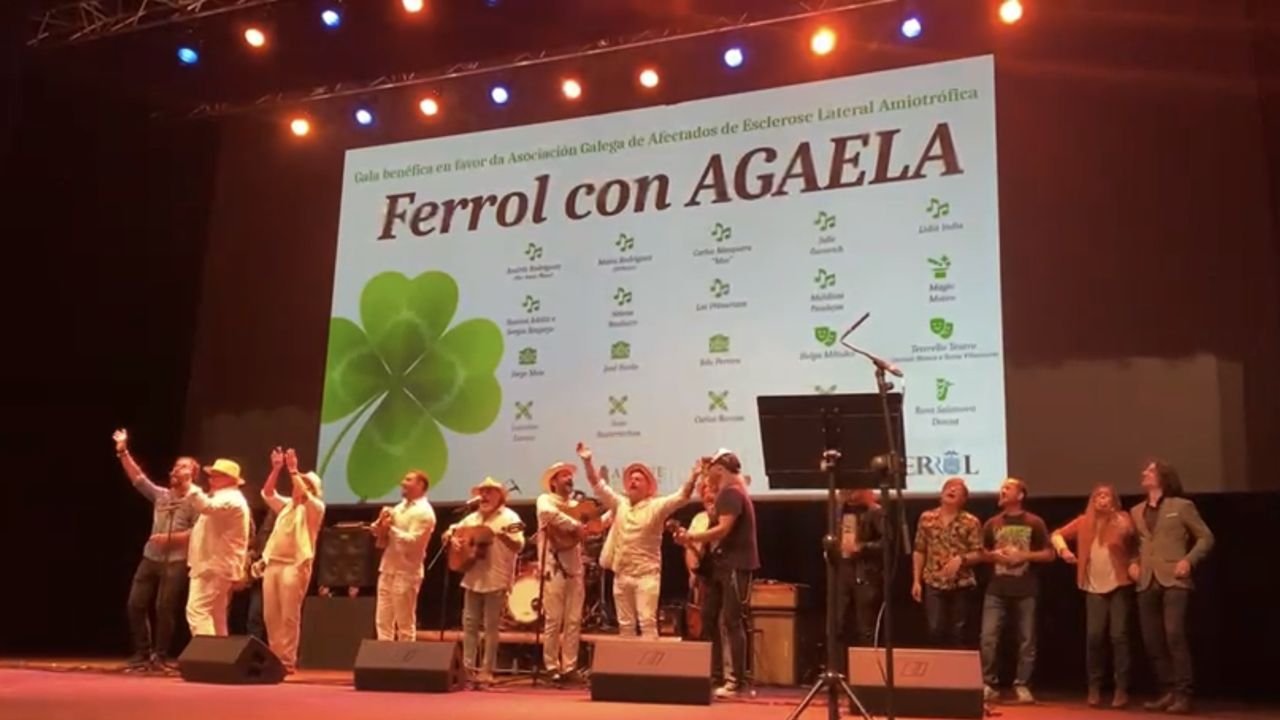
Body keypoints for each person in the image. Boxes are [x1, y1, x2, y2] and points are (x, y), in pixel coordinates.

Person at [577, 442, 697, 639]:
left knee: (647, 623)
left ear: (648, 487)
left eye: (638, 479)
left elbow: (682, 496)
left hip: (646, 576)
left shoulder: (657, 507)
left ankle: (650, 669)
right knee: (625, 626)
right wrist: (588, 461)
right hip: (622, 575)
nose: (633, 482)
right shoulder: (619, 504)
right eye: (631, 479)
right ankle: (626, 668)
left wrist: (693, 476)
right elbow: (597, 484)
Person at [1130, 461, 1214, 715]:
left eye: (1150, 471)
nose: (1144, 473)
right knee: (1152, 640)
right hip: (1146, 581)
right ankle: (1166, 691)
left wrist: (1189, 560)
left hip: (1174, 579)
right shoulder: (1135, 511)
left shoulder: (1181, 506)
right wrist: (1133, 563)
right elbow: (1137, 546)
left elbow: (1206, 537)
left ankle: (1183, 694)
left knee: (1174, 635)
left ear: (1163, 478)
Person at [112, 429, 200, 670]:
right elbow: (138, 478)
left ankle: (160, 656)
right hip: (151, 558)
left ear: (192, 473)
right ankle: (142, 652)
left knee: (164, 607)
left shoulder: (197, 499)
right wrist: (123, 451)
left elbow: (198, 533)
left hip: (176, 561)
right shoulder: (162, 496)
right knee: (135, 604)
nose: (175, 470)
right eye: (175, 466)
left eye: (182, 467)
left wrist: (170, 539)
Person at [676, 449, 759, 699]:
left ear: (720, 470)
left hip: (735, 565)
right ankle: (715, 675)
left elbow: (723, 529)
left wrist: (691, 536)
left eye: (710, 469)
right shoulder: (729, 493)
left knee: (731, 621)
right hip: (722, 566)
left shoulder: (731, 493)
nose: (707, 475)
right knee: (711, 618)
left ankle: (736, 681)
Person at [1051, 484, 1137, 709]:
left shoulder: (1122, 518)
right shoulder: (1083, 522)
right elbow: (1056, 534)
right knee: (1094, 637)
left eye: (1107, 495)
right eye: (1098, 496)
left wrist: (1114, 518)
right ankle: (1094, 687)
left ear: (1114, 500)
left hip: (1119, 584)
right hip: (1092, 586)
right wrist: (1064, 551)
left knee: (1119, 636)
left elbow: (1130, 535)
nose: (1102, 499)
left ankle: (1121, 689)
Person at [974, 478, 1054, 704]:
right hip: (996, 588)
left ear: (1020, 495)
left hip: (1025, 588)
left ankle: (1022, 684)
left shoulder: (1034, 522)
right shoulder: (992, 523)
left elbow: (1049, 554)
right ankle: (989, 684)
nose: (1002, 490)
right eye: (1001, 487)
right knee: (988, 638)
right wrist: (992, 556)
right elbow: (982, 553)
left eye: (1008, 488)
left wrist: (1024, 556)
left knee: (1026, 639)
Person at [445, 477, 525, 689]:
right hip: (472, 577)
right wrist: (451, 538)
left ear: (500, 496)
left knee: (491, 626)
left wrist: (504, 537)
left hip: (496, 577)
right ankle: (468, 668)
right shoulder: (472, 518)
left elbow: (519, 545)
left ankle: (487, 670)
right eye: (482, 491)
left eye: (490, 491)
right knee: (469, 624)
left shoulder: (509, 517)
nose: (485, 496)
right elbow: (451, 531)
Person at [260, 448, 326, 674]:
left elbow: (306, 497)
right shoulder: (287, 506)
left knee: (289, 614)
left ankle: (286, 660)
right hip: (275, 563)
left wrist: (294, 470)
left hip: (295, 565)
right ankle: (274, 657)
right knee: (271, 614)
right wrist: (277, 469)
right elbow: (268, 493)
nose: (298, 486)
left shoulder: (315, 507)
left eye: (304, 483)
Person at [911, 477, 982, 648]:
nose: (951, 491)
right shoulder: (927, 518)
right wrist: (916, 580)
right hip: (933, 581)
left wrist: (962, 559)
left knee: (959, 631)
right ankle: (939, 669)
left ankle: (958, 670)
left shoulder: (971, 521)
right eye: (948, 488)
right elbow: (920, 549)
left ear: (964, 499)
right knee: (935, 629)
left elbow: (979, 553)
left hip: (961, 583)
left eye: (957, 490)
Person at [184, 457, 251, 637]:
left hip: (214, 566)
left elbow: (207, 507)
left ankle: (207, 659)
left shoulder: (232, 499)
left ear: (231, 480)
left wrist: (189, 485)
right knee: (215, 615)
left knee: (198, 610)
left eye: (217, 476)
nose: (211, 479)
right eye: (211, 475)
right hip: (212, 564)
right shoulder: (224, 497)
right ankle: (219, 660)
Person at [535, 461, 586, 683]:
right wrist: (576, 526)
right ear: (553, 482)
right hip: (552, 567)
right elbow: (549, 515)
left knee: (573, 620)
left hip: (574, 568)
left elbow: (590, 526)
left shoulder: (577, 504)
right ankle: (551, 666)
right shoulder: (545, 500)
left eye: (569, 475)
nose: (568, 479)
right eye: (563, 476)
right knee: (553, 620)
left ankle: (570, 667)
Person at [371, 470, 436, 642]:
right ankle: (383, 663)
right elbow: (378, 533)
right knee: (383, 622)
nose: (402, 482)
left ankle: (404, 664)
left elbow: (413, 541)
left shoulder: (424, 512)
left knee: (405, 624)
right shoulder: (399, 508)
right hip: (388, 569)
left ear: (420, 485)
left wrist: (390, 529)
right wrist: (380, 524)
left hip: (407, 572)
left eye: (408, 480)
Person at [244, 507, 276, 642]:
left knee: (270, 617)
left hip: (276, 568)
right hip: (260, 570)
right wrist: (253, 554)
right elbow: (261, 538)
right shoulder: (272, 514)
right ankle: (252, 652)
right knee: (254, 616)